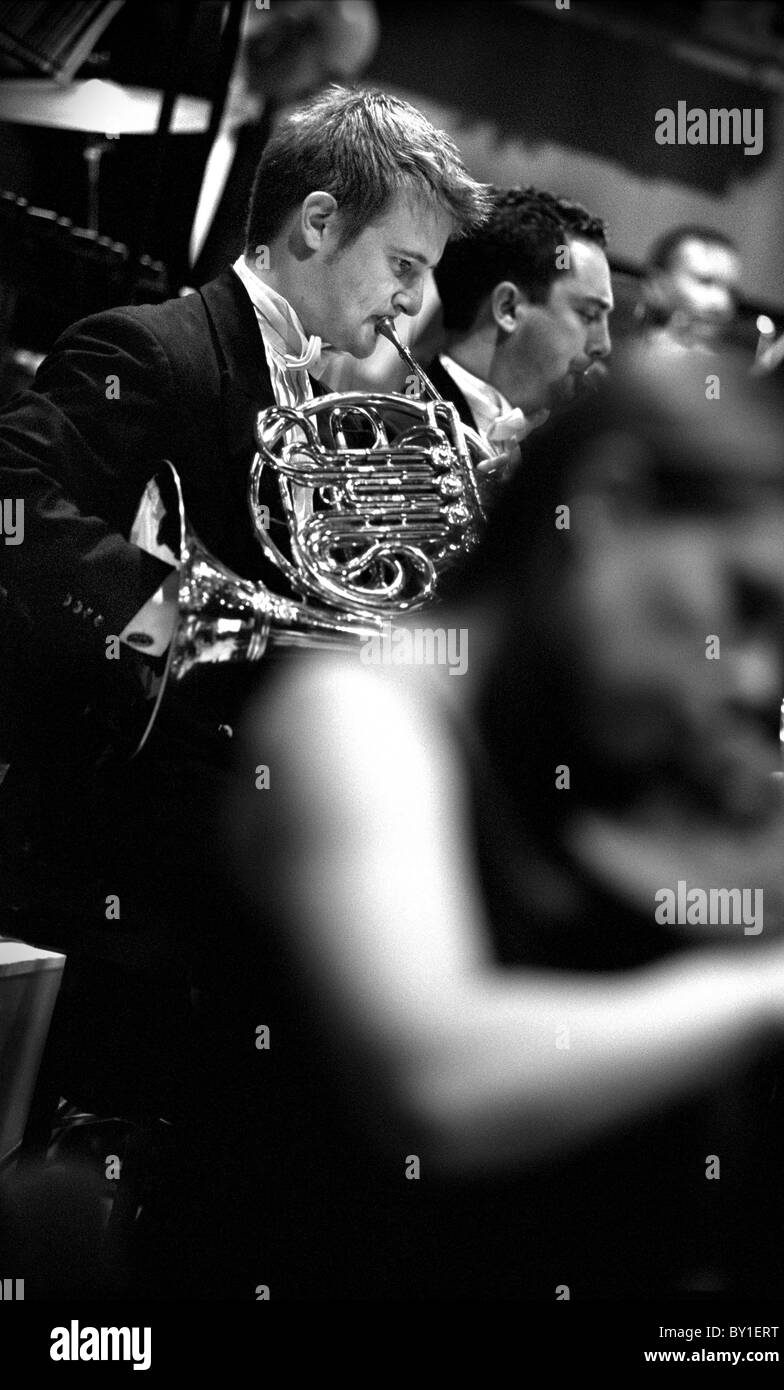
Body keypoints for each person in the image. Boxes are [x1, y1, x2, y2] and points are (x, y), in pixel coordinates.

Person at [225, 350, 784, 1298]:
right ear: (608, 506)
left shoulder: (610, 750)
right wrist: (775, 987)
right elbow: (435, 1081)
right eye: (742, 606)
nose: (754, 678)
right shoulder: (357, 718)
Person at [0, 86, 490, 1204]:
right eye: (406, 265)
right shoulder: (157, 345)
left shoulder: (301, 386)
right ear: (316, 225)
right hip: (106, 859)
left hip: (209, 861)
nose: (416, 304)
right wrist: (185, 617)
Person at [426, 187, 613, 453]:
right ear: (508, 308)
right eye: (590, 315)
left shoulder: (558, 448)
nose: (604, 345)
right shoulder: (396, 430)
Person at [637, 224, 741, 350]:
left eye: (730, 290)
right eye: (705, 281)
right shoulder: (617, 358)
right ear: (657, 284)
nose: (722, 302)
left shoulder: (735, 366)